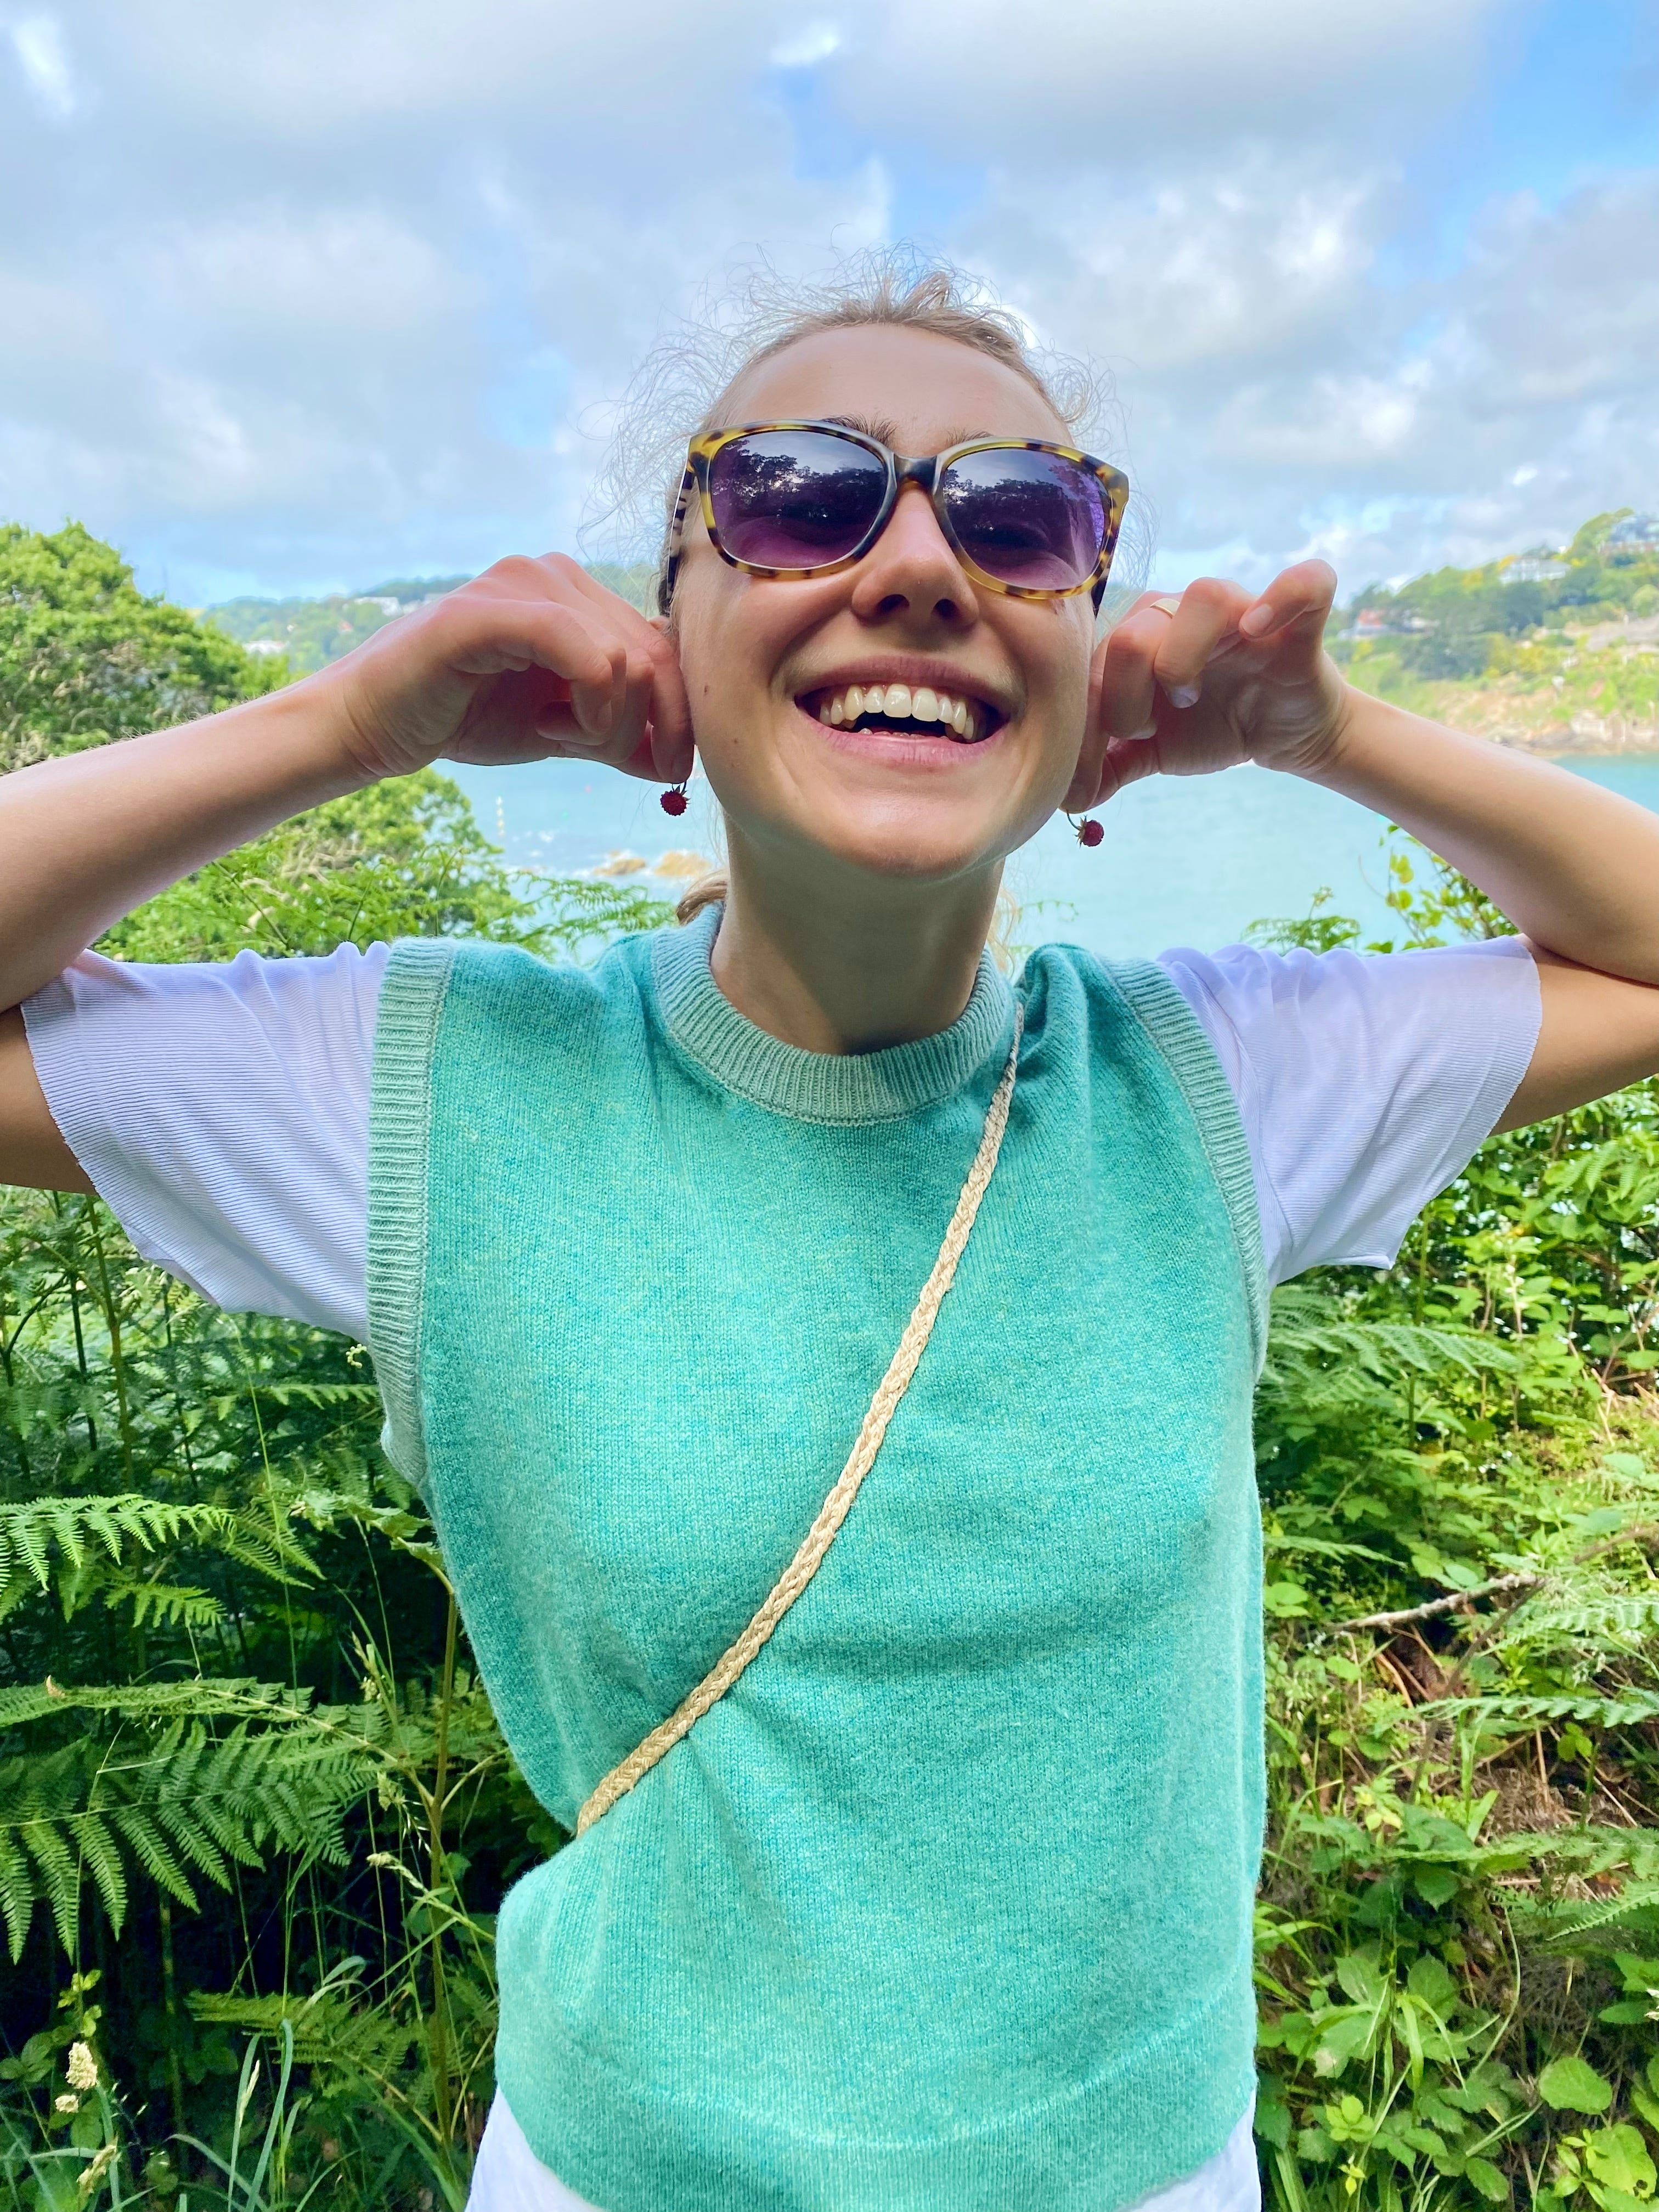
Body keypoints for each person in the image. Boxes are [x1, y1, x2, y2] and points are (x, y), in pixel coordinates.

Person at [3, 261, 1658, 2212]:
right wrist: (361, 717)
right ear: (664, 659)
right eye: (799, 494)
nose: (921, 563)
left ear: (1089, 689)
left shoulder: (1200, 1087)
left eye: (1020, 519)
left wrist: (1322, 731)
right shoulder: (451, 1095)